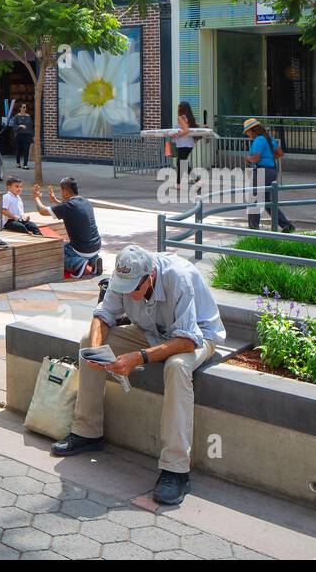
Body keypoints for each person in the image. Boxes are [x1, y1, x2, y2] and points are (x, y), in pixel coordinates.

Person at [51, 244, 225, 507]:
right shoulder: (124, 276)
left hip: (196, 337)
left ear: (150, 276)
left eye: (135, 288)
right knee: (88, 340)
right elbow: (103, 315)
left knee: (177, 367)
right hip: (151, 331)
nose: (128, 295)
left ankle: (176, 470)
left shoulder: (180, 278)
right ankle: (87, 432)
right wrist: (98, 349)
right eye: (124, 287)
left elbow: (187, 341)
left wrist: (138, 358)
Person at [33, 177, 102, 277]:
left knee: (53, 251)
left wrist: (36, 197)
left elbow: (42, 210)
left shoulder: (67, 206)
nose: (61, 194)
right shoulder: (86, 202)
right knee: (69, 244)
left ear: (65, 192)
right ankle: (94, 260)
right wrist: (56, 201)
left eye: (61, 191)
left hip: (81, 249)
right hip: (96, 246)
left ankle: (78, 264)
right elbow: (71, 209)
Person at [242, 117, 294, 232]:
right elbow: (280, 153)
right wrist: (269, 159)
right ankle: (287, 226)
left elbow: (255, 158)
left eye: (247, 132)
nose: (247, 134)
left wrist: (247, 158)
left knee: (254, 199)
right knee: (267, 202)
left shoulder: (258, 140)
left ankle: (253, 229)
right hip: (271, 171)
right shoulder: (269, 138)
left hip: (262, 171)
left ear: (252, 130)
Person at [168, 101, 198, 185]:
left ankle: (198, 180)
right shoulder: (189, 117)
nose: (177, 108)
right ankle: (178, 184)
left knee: (182, 164)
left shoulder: (181, 118)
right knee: (180, 163)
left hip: (183, 144)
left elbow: (186, 130)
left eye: (179, 107)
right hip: (188, 144)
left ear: (181, 108)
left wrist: (176, 135)